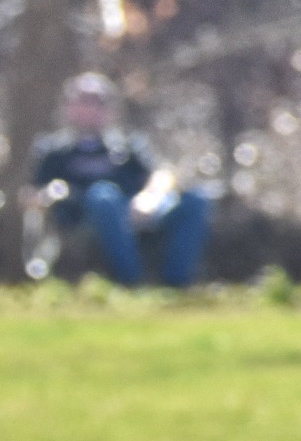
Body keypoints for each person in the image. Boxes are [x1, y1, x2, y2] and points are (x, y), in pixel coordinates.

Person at [27, 72, 210, 288]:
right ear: (67, 107)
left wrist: (148, 198)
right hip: (85, 217)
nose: (91, 108)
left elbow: (161, 175)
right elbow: (33, 194)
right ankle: (131, 282)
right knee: (103, 195)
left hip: (134, 210)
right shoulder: (54, 151)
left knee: (198, 199)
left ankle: (177, 283)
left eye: (99, 102)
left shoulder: (127, 145)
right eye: (84, 101)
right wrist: (51, 194)